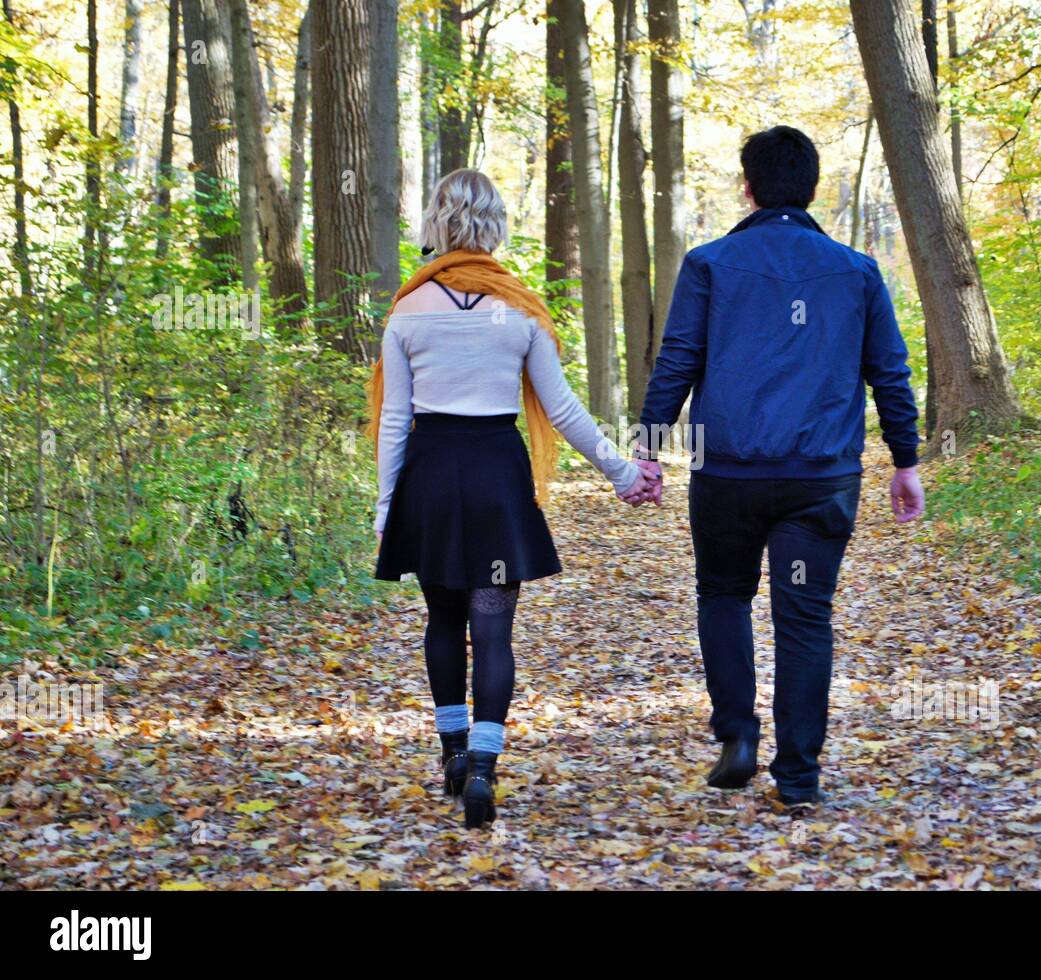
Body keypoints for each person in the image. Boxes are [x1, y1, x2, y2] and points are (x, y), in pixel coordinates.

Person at [635, 126, 924, 811]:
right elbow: (889, 371)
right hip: (818, 477)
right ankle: (798, 775)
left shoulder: (711, 263)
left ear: (748, 187)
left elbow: (677, 358)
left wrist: (648, 448)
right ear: (813, 188)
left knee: (725, 595)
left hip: (729, 473)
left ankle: (737, 735)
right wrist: (906, 460)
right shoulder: (856, 271)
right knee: (804, 617)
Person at [367, 168, 657, 829]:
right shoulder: (519, 309)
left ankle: (451, 752)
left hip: (432, 474)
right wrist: (620, 471)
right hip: (498, 473)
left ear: (437, 222)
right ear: (495, 225)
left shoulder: (408, 309)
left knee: (443, 620)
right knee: (493, 627)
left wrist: (387, 508)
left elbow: (393, 418)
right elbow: (561, 409)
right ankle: (484, 770)